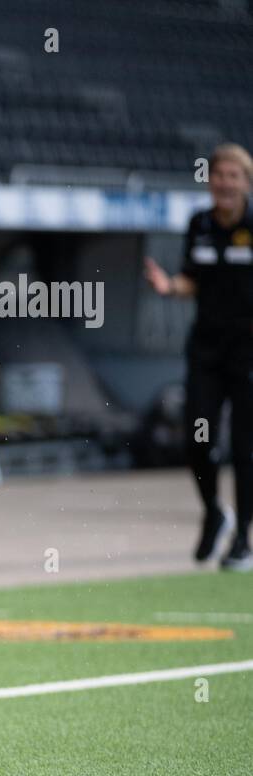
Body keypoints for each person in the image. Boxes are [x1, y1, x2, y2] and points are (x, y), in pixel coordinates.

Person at [145, 142, 253, 570]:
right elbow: (192, 278)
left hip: (248, 353)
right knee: (198, 438)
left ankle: (242, 539)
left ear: (246, 182)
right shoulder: (200, 224)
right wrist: (169, 287)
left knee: (245, 449)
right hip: (207, 349)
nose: (224, 183)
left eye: (234, 176)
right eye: (218, 175)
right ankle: (214, 510)